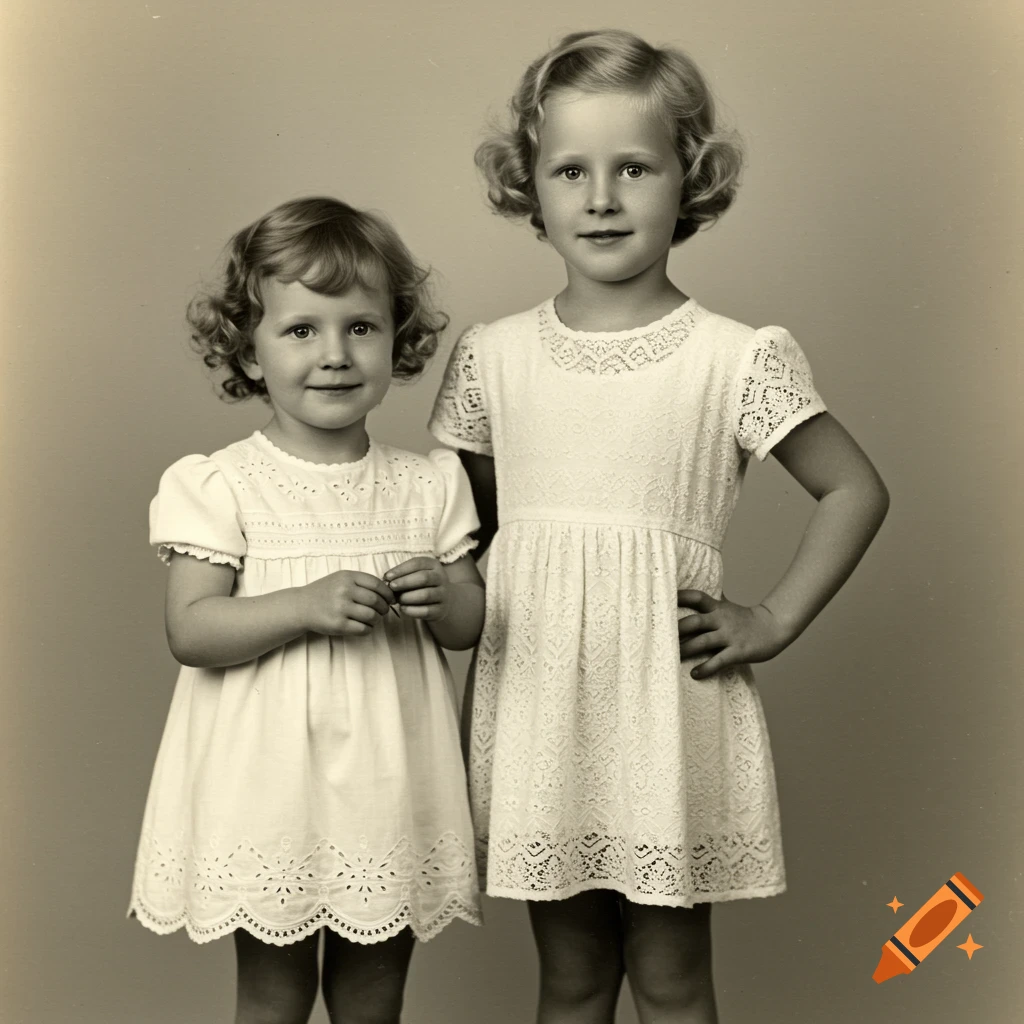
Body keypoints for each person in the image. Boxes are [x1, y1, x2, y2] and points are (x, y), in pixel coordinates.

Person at [429, 30, 889, 1024]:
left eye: (632, 167)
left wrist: (771, 618)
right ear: (530, 186)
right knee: (572, 981)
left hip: (663, 713)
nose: (600, 197)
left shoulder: (731, 357)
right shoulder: (491, 359)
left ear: (690, 180)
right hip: (541, 703)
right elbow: (474, 538)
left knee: (673, 982)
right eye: (570, 170)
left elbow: (853, 488)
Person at [129, 196, 485, 1024]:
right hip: (270, 786)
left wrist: (443, 593)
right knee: (274, 993)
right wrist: (300, 604)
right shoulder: (221, 483)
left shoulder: (429, 482)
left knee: (374, 991)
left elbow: (469, 626)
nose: (334, 354)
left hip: (389, 781)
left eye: (360, 327)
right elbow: (192, 629)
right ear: (249, 353)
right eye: (300, 331)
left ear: (397, 339)